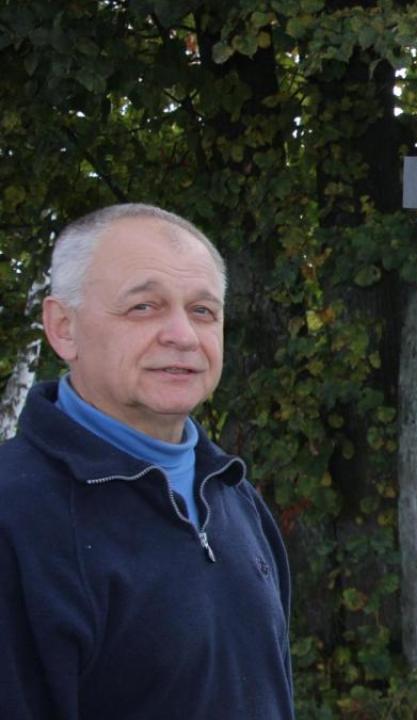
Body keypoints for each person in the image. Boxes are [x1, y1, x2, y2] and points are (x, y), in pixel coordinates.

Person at [0, 204, 294, 717]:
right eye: (144, 307)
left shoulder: (231, 494)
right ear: (63, 327)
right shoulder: (15, 516)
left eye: (203, 311)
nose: (182, 335)